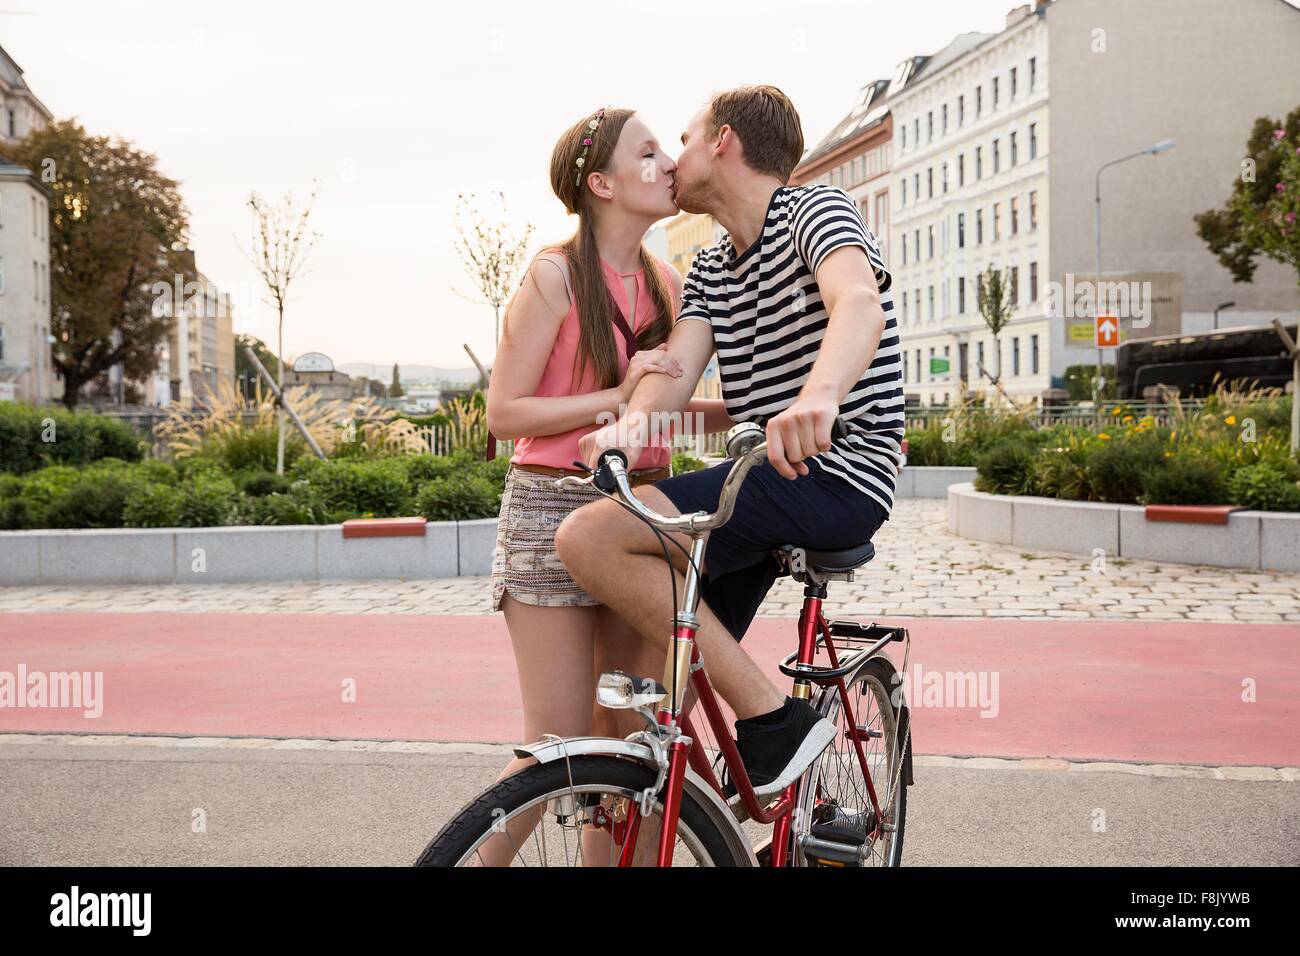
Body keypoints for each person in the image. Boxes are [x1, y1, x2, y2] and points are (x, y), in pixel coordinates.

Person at [557, 85, 904, 801]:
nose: (672, 161)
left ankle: (776, 719)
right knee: (658, 694)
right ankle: (703, 814)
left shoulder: (815, 209)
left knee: (588, 539)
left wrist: (819, 396)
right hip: (763, 479)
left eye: (683, 140)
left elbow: (857, 303)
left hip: (839, 477)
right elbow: (676, 373)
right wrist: (627, 429)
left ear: (722, 141)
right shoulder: (713, 268)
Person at [480, 105, 731, 864]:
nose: (666, 164)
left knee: (630, 749)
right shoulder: (555, 275)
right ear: (601, 183)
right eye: (647, 153)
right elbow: (503, 412)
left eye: (665, 150)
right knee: (553, 748)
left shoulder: (670, 284)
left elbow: (670, 415)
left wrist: (786, 411)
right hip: (548, 503)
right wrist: (616, 397)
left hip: (636, 506)